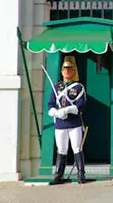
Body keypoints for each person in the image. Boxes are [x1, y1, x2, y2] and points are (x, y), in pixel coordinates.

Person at [47, 55, 87, 184]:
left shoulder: (78, 87)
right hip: (60, 124)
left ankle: (81, 174)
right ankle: (59, 175)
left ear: (74, 70)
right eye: (64, 68)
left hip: (74, 123)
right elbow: (50, 105)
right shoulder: (56, 87)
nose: (66, 71)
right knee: (61, 149)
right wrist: (57, 113)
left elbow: (81, 106)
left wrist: (67, 110)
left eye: (70, 68)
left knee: (77, 148)